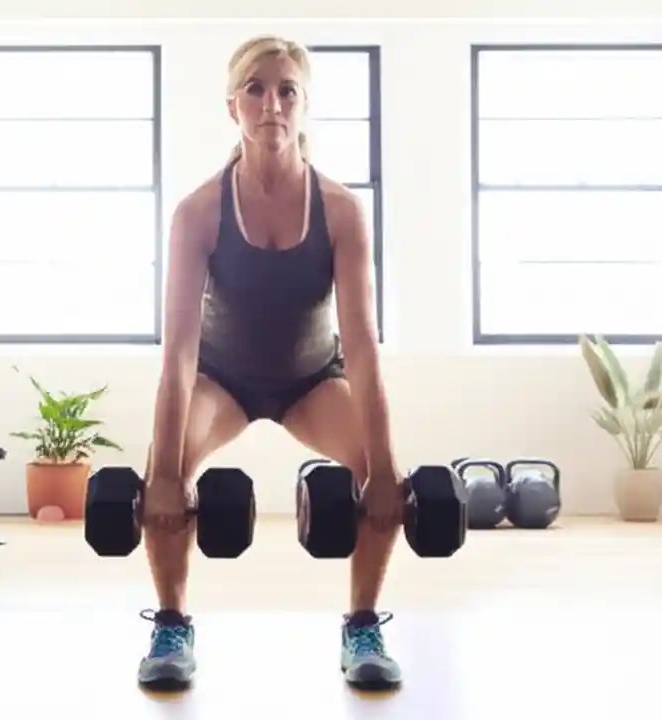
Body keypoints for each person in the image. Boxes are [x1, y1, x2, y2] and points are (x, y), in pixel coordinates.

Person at [135, 34, 405, 691]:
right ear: (233, 106)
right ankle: (171, 625)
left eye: (287, 91)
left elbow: (362, 344)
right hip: (220, 379)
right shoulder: (198, 212)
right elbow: (178, 351)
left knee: (380, 477)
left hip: (312, 378)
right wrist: (167, 474)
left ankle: (363, 625)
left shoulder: (341, 210)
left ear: (305, 106)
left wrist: (389, 467)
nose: (271, 104)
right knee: (159, 473)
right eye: (256, 89)